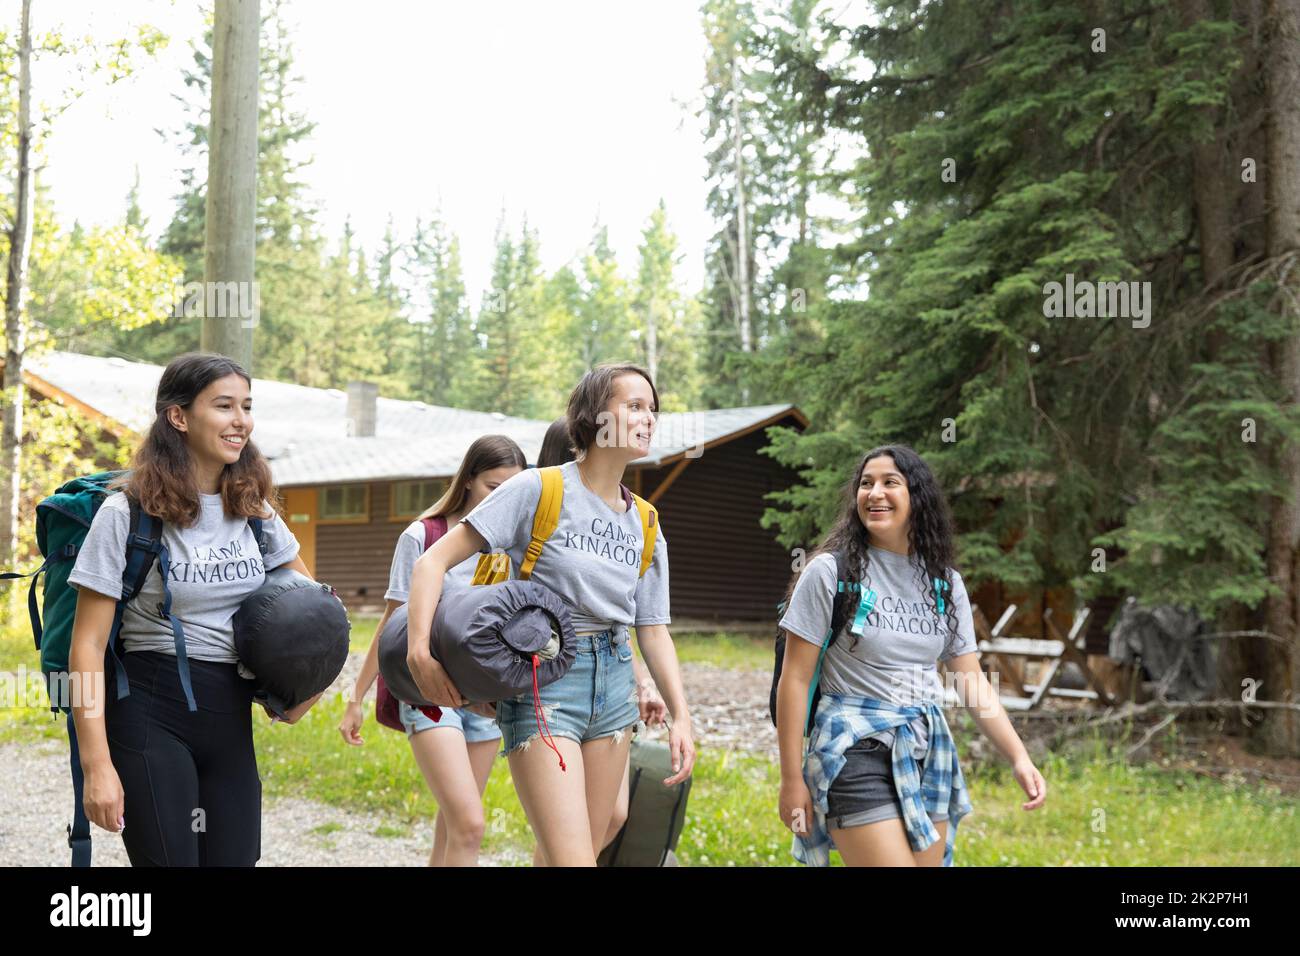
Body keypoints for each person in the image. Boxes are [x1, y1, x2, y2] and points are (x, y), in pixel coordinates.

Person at [405, 362, 695, 866]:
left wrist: (682, 715)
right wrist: (419, 655)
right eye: (634, 406)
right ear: (594, 416)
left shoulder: (646, 521)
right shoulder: (540, 489)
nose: (648, 418)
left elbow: (653, 629)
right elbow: (432, 562)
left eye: (653, 409)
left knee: (587, 841)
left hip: (614, 688)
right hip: (546, 678)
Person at [67, 352, 314, 866]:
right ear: (179, 417)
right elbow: (87, 645)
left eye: (246, 406)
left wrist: (303, 687)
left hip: (229, 714)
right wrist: (97, 764)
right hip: (151, 711)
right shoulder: (127, 512)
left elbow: (312, 611)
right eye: (223, 406)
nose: (240, 420)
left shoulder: (253, 509)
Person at [775, 444, 1048, 867]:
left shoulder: (944, 582)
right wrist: (791, 780)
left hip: (926, 746)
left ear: (917, 497)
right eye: (866, 484)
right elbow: (793, 679)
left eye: (890, 482)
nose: (874, 493)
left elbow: (970, 680)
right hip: (852, 748)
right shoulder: (830, 572)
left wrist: (1018, 756)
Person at [339, 435, 525, 866]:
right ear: (467, 482)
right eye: (493, 489)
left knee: (454, 825)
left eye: (512, 491)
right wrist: (355, 697)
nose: (502, 500)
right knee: (471, 824)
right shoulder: (424, 536)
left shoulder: (512, 544)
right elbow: (392, 625)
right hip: (425, 690)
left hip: (483, 696)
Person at [532, 417, 667, 864]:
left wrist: (644, 682)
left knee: (608, 819)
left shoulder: (636, 519)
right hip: (551, 672)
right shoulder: (544, 503)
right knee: (570, 843)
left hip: (610, 676)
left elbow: (626, 618)